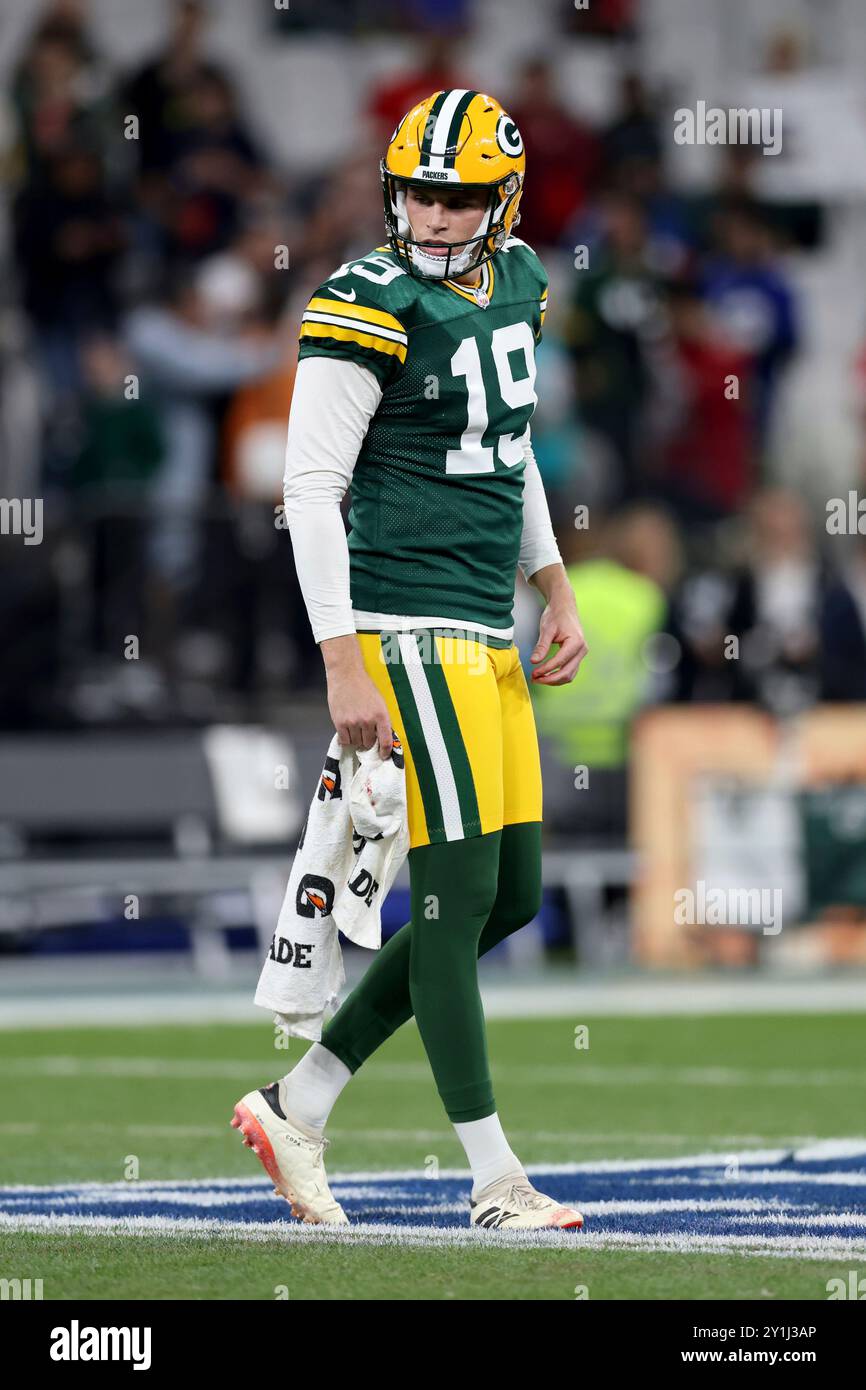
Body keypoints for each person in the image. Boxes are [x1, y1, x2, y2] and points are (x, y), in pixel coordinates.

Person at [231, 90, 589, 1231]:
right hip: (402, 623)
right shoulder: (362, 301)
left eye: (458, 197)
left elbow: (510, 448)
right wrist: (344, 661)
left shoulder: (520, 283)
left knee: (509, 896)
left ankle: (302, 1100)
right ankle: (493, 1179)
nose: (433, 217)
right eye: (419, 195)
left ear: (503, 201)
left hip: (485, 623)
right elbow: (308, 491)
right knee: (454, 893)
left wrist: (552, 581)